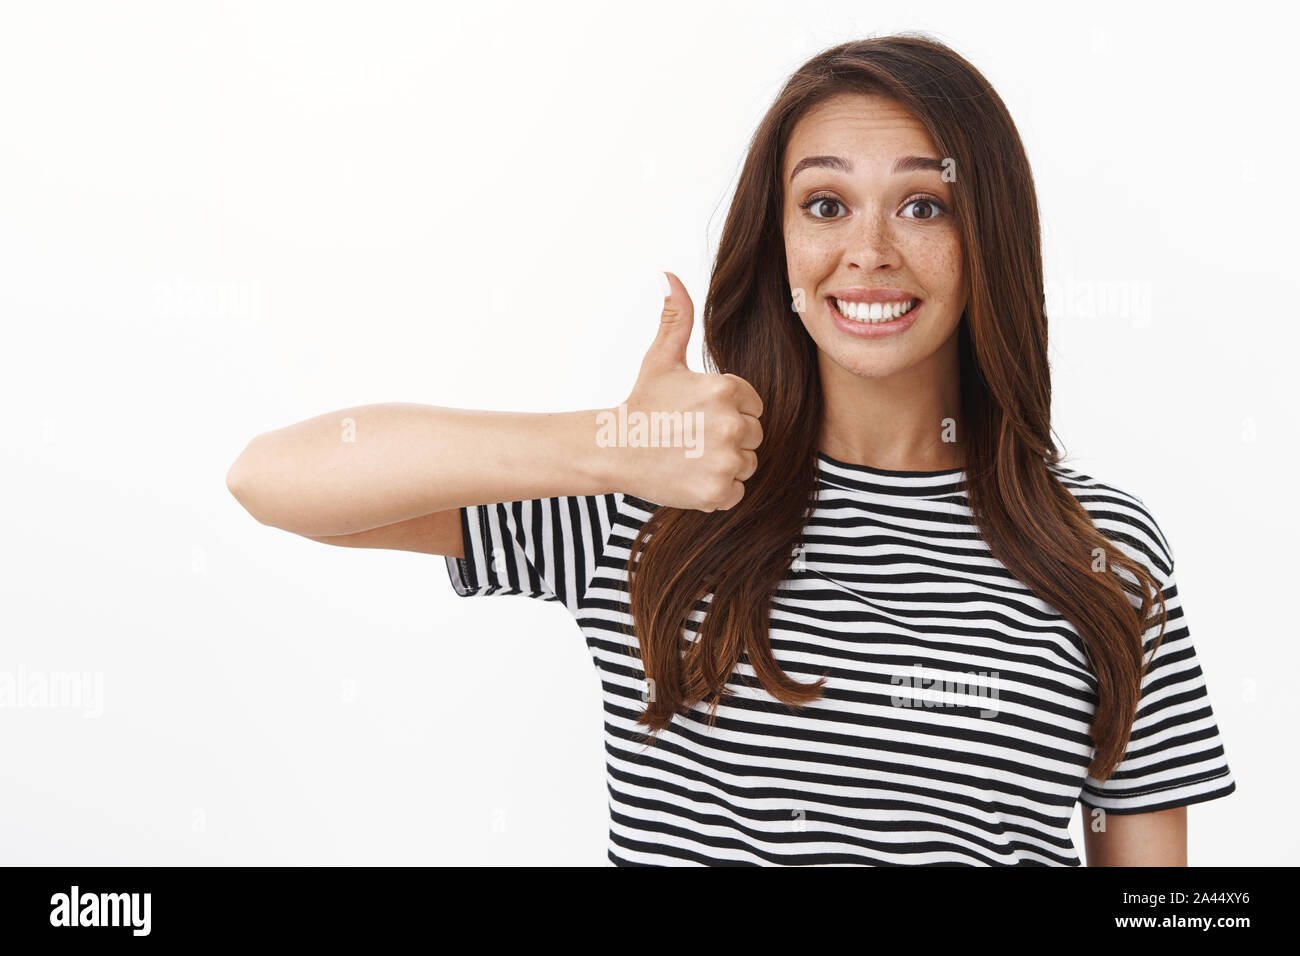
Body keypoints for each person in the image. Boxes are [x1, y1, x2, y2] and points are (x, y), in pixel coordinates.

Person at [226, 33, 1235, 866]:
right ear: (778, 241)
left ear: (990, 237)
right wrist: (613, 444)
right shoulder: (651, 491)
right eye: (825, 204)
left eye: (923, 204)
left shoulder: (1101, 545)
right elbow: (273, 480)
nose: (869, 250)